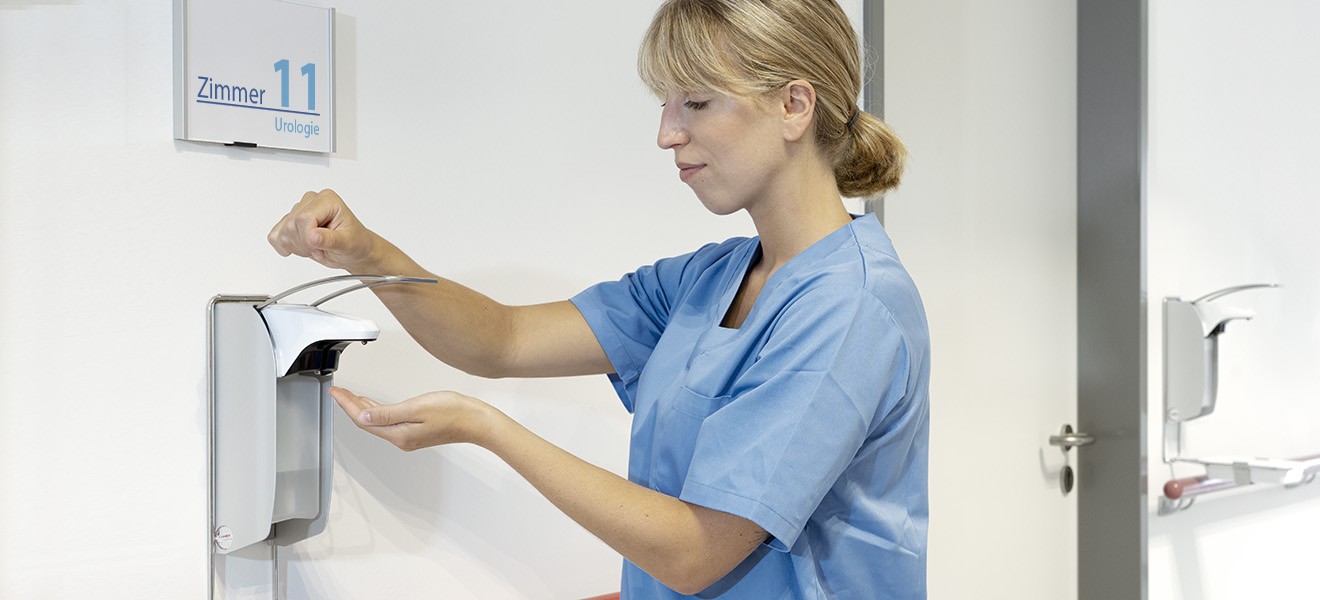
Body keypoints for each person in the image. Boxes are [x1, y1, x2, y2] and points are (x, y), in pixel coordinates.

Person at [267, 0, 929, 597]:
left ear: (794, 106)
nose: (667, 133)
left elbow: (695, 553)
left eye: (696, 102)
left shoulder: (852, 305)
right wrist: (366, 254)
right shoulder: (708, 279)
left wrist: (485, 428)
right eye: (666, 104)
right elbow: (503, 340)